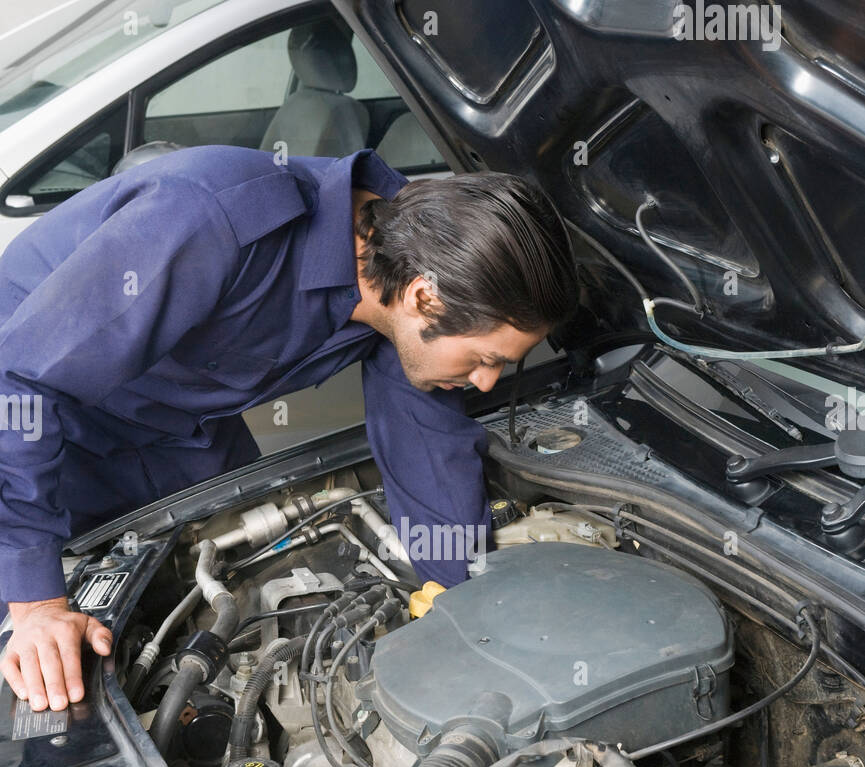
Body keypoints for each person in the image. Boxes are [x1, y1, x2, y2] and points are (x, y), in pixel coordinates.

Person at [0, 144, 576, 712]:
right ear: (424, 298)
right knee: (40, 664)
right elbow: (20, 382)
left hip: (185, 429)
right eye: (484, 358)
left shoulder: (420, 260)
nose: (486, 383)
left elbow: (425, 444)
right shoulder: (211, 221)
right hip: (35, 432)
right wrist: (34, 602)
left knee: (206, 597)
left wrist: (460, 603)